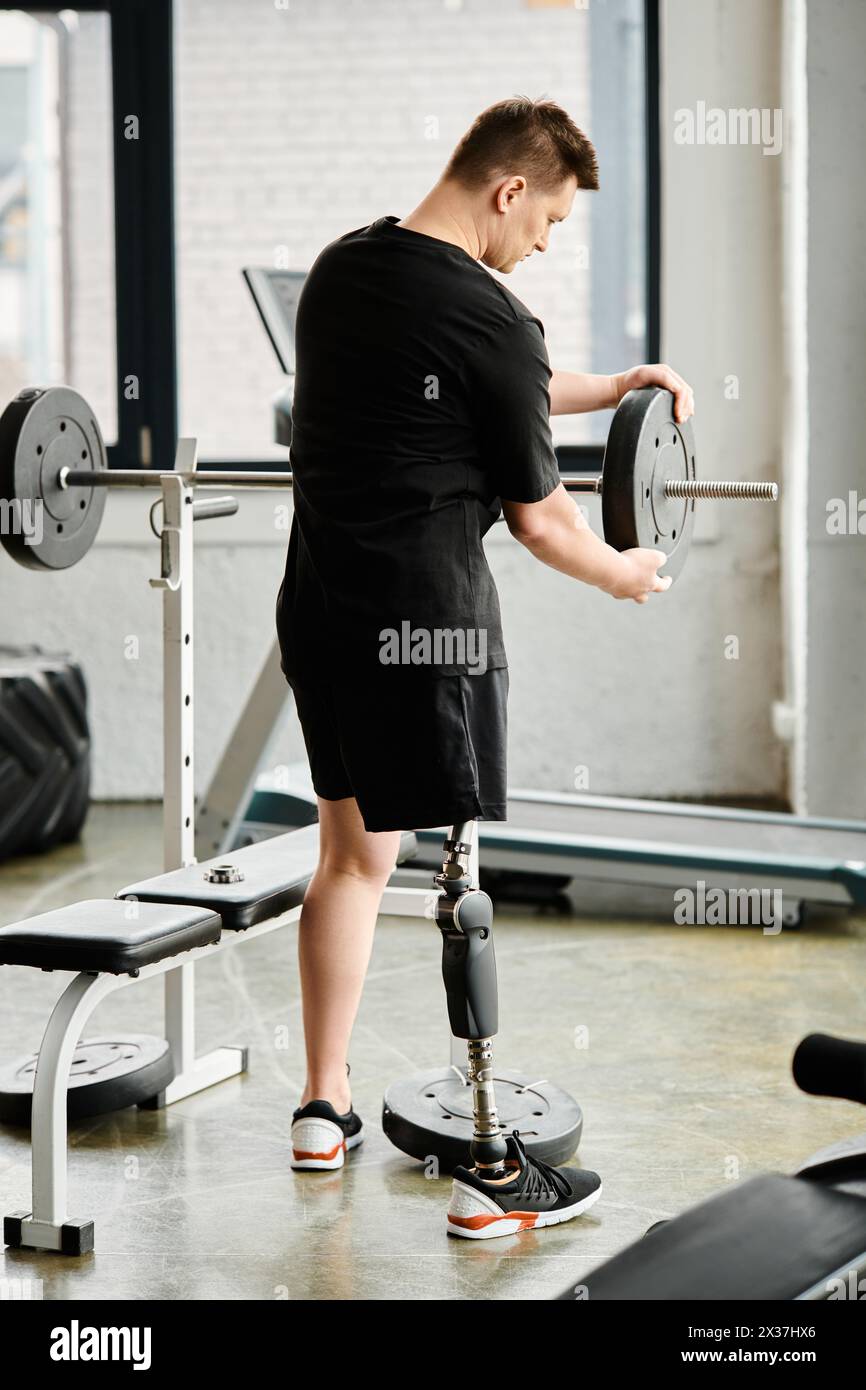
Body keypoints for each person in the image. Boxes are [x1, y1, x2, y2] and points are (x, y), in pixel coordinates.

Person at [276, 96, 694, 1232]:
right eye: (547, 221)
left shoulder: (341, 270)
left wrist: (611, 388)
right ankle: (490, 1178)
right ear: (509, 189)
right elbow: (543, 522)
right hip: (430, 632)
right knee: (459, 886)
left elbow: (488, 381)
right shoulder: (489, 315)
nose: (543, 244)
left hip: (318, 613)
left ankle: (322, 1106)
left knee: (352, 860)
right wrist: (627, 573)